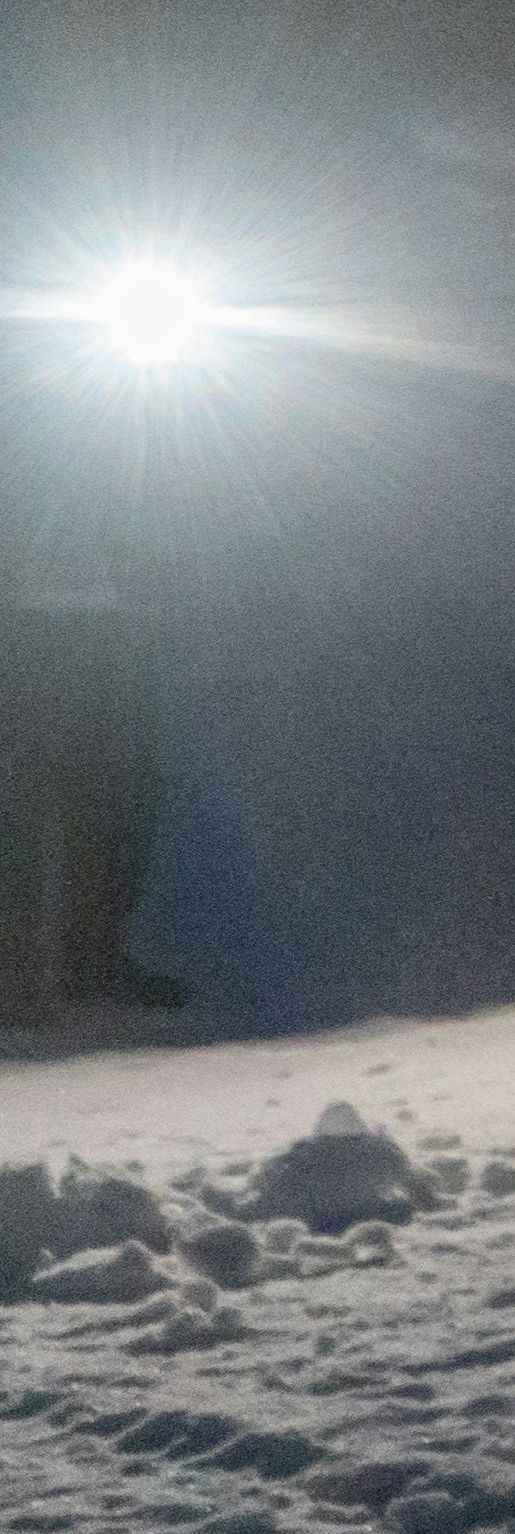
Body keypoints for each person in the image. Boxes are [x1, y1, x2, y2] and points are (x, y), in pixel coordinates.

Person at [2, 315, 182, 1028]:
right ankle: (13, 980)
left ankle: (92, 963)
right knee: (16, 809)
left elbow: (167, 514)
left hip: (110, 642)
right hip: (19, 641)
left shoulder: (134, 423)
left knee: (117, 802)